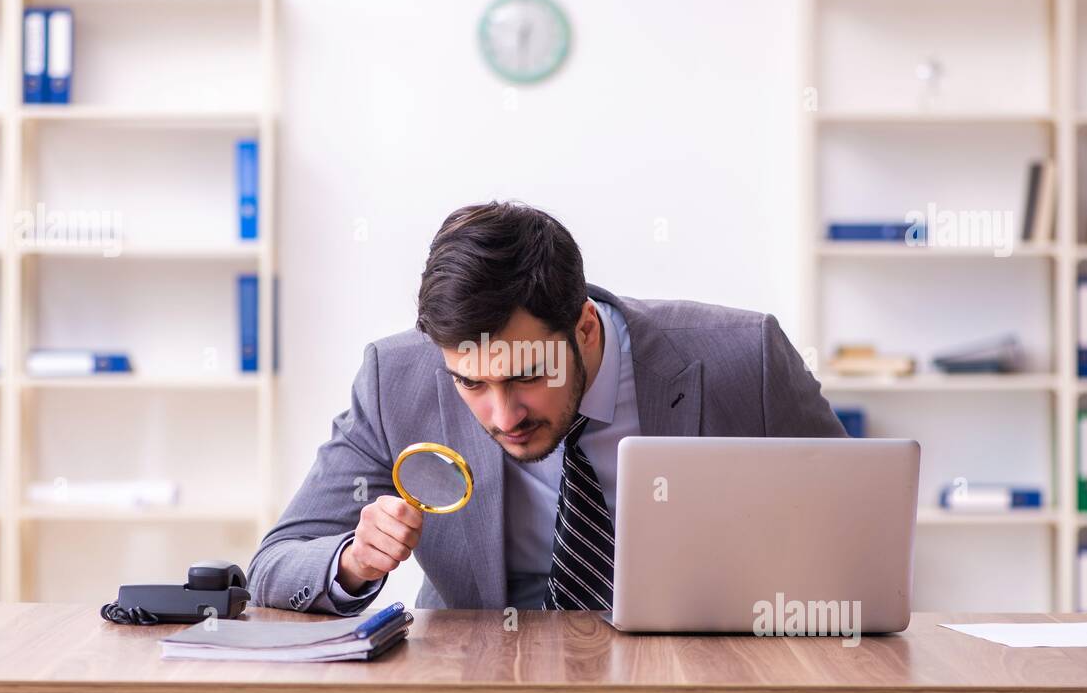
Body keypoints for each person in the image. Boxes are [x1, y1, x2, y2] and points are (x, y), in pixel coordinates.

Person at [248, 201, 846, 613]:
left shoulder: (745, 358)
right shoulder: (394, 379)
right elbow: (274, 565)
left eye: (529, 375)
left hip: (697, 669)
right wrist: (353, 561)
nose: (504, 417)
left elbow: (851, 528)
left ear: (585, 326)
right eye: (471, 384)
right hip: (484, 688)